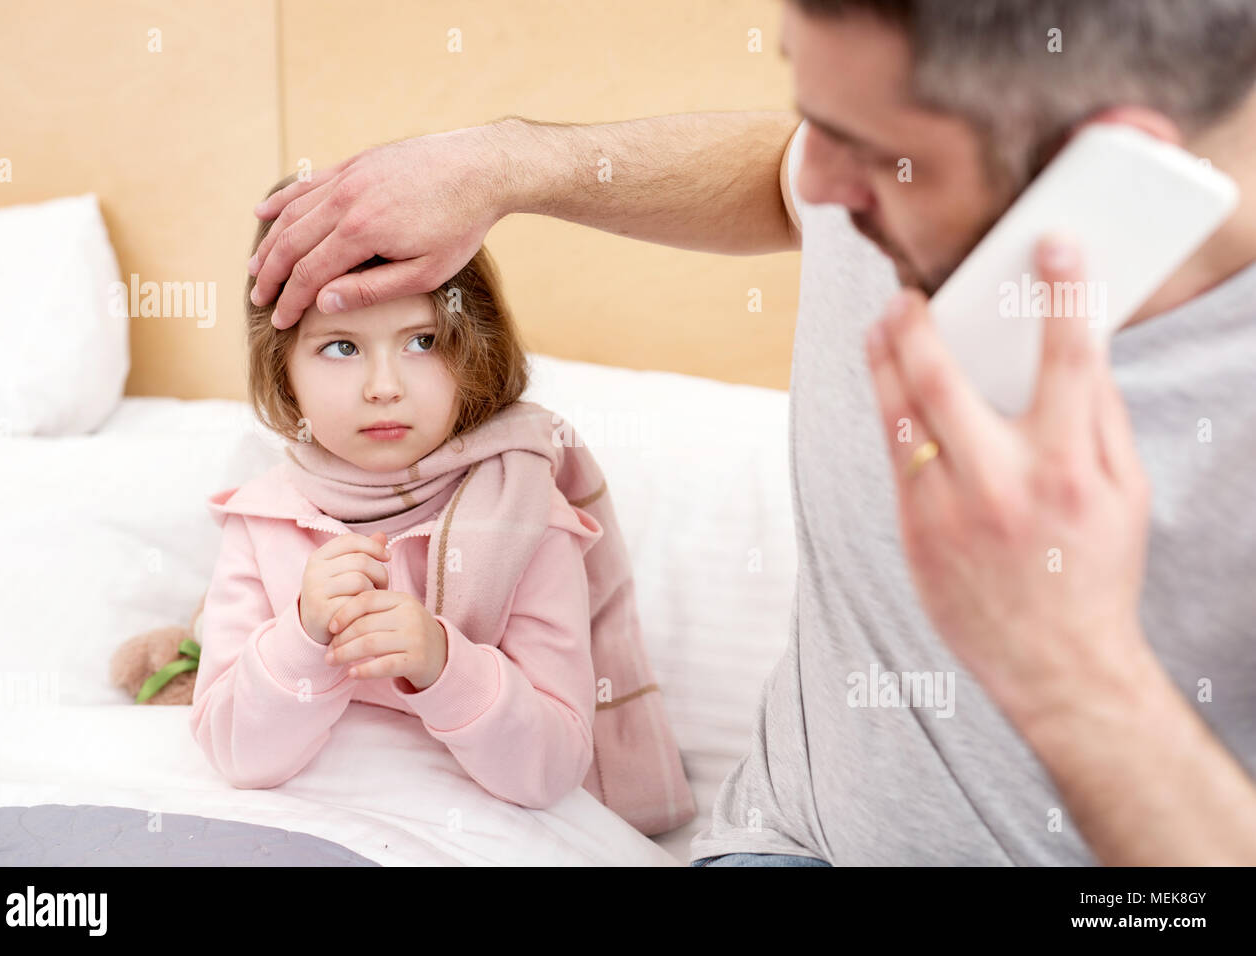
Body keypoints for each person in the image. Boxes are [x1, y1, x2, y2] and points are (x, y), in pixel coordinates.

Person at [245, 0, 1256, 865]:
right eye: (813, 121)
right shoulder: (893, 176)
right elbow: (783, 171)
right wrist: (512, 164)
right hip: (788, 845)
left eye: (863, 153)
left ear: (1107, 164)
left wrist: (1074, 674)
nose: (814, 190)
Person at [189, 173, 694, 837]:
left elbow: (552, 768)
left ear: (472, 345)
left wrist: (444, 665)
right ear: (283, 369)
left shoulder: (528, 519)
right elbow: (235, 755)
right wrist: (302, 638)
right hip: (299, 831)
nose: (384, 387)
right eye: (340, 347)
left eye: (422, 342)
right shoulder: (263, 521)